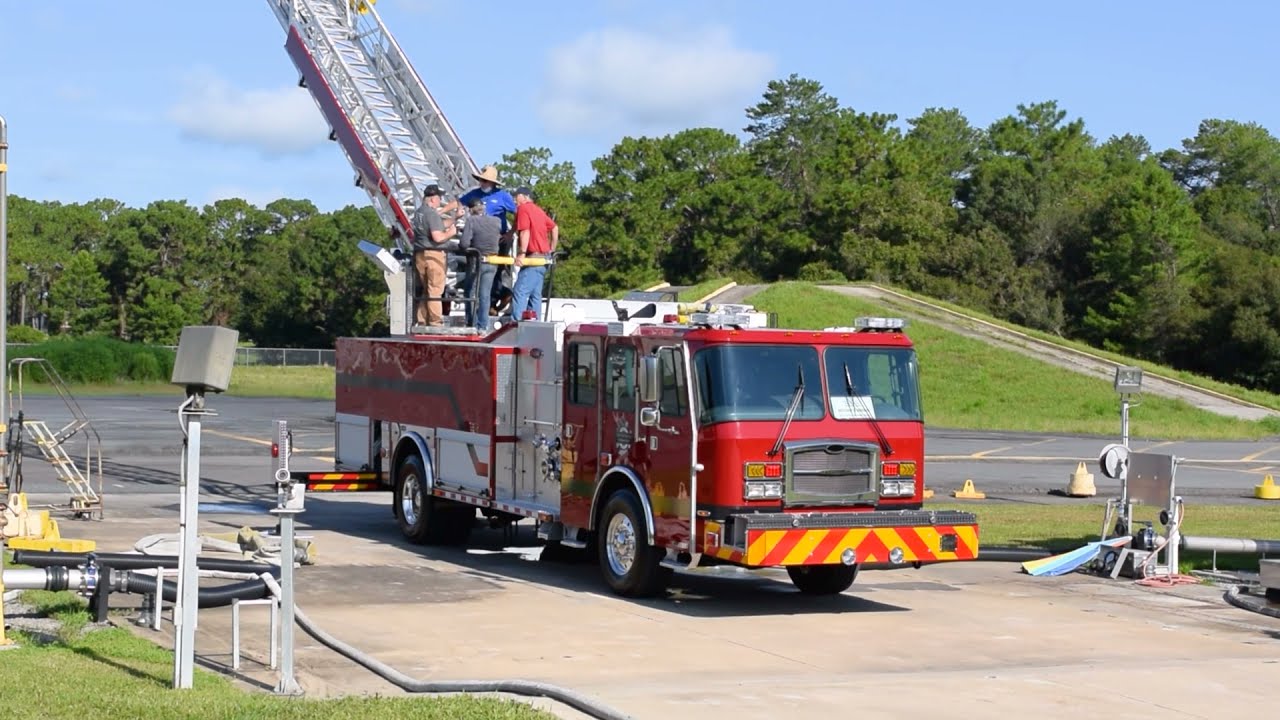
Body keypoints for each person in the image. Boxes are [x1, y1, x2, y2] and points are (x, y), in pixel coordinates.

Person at [509, 186, 559, 321]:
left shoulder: (523, 208)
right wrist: (552, 249)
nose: (514, 200)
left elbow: (525, 231)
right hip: (543, 259)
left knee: (520, 291)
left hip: (533, 258)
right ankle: (534, 324)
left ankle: (517, 325)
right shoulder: (538, 210)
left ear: (525, 197)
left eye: (516, 196)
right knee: (535, 295)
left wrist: (522, 253)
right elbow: (554, 228)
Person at [410, 183, 457, 326]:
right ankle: (436, 322)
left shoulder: (419, 213)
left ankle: (422, 319)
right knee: (435, 290)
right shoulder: (432, 214)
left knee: (427, 290)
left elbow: (437, 225)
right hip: (433, 256)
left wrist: (454, 218)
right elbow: (437, 236)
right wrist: (451, 233)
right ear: (432, 199)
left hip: (420, 255)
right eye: (439, 198)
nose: (440, 201)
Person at [456, 197, 502, 331]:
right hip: (493, 261)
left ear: (471, 210)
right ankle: (483, 325)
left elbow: (464, 244)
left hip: (477, 261)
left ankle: (471, 323)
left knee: (470, 292)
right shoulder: (497, 221)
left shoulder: (472, 220)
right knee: (485, 294)